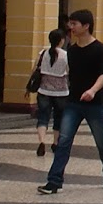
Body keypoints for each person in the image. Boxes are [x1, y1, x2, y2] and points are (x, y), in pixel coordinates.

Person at [37, 9, 103, 194]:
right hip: (73, 102)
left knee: (101, 141)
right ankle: (54, 181)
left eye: (74, 24)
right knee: (63, 140)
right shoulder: (71, 51)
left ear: (86, 26)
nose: (70, 27)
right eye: (70, 24)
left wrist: (93, 90)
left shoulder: (100, 49)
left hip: (94, 103)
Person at [33, 29, 69, 157]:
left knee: (43, 117)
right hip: (61, 93)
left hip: (44, 91)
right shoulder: (65, 55)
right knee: (58, 118)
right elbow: (69, 72)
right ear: (61, 40)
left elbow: (35, 69)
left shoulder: (42, 53)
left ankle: (42, 141)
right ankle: (55, 143)